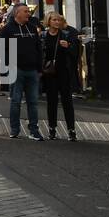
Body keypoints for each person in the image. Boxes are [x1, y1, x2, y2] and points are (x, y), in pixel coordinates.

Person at [0, 4, 44, 140]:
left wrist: (39, 68)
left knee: (33, 102)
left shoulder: (31, 28)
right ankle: (15, 129)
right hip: (16, 69)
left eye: (28, 12)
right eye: (25, 11)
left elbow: (38, 48)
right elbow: (3, 49)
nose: (28, 14)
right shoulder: (8, 29)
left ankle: (34, 130)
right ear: (17, 13)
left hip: (32, 70)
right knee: (16, 101)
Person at [42, 11, 79, 140]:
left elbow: (75, 52)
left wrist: (68, 46)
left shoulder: (66, 35)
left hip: (64, 72)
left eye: (58, 20)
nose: (57, 22)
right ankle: (52, 129)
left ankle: (71, 130)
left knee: (67, 101)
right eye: (54, 20)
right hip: (50, 73)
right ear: (49, 21)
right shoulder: (44, 36)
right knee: (51, 101)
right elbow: (41, 52)